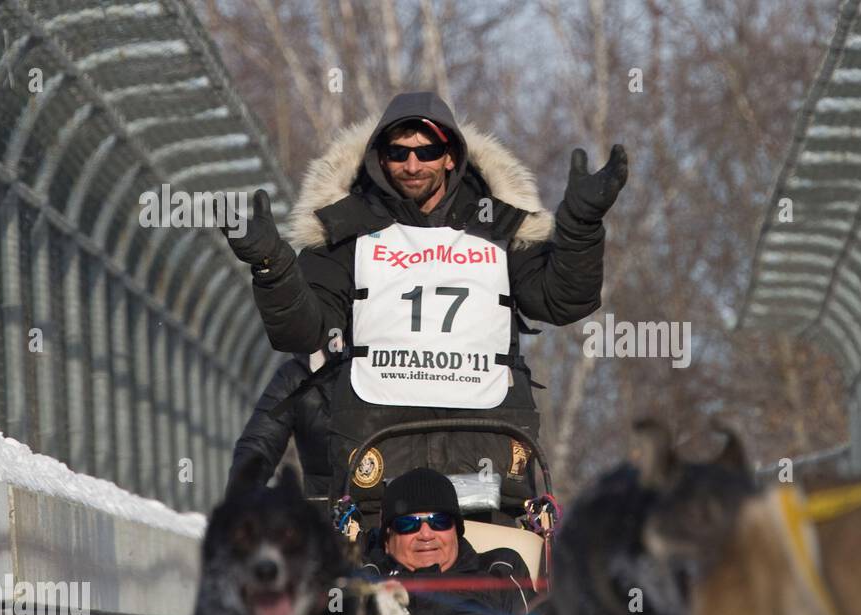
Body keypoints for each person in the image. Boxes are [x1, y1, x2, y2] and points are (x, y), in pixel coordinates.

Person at [224, 91, 626, 525]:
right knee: (374, 588)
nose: (412, 165)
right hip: (378, 469)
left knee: (498, 582)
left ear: (451, 156)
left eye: (427, 151)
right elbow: (304, 332)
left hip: (485, 469)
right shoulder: (346, 233)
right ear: (380, 157)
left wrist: (582, 225)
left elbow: (561, 300)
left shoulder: (499, 225)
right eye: (398, 153)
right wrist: (272, 265)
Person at [361, 467, 535, 615]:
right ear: (387, 539)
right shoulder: (365, 578)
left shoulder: (500, 568)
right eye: (408, 524)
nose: (426, 534)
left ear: (455, 530)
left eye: (439, 522)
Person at [227, 350, 335, 498]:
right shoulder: (297, 378)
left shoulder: (375, 375)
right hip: (327, 512)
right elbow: (260, 442)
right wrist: (243, 493)